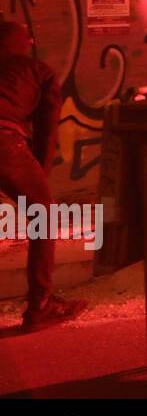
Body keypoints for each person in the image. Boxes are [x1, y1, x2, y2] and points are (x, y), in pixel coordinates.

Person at [0, 22, 86, 331]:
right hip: (5, 142)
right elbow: (48, 130)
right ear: (25, 43)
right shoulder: (38, 70)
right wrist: (40, 171)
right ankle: (40, 307)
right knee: (43, 215)